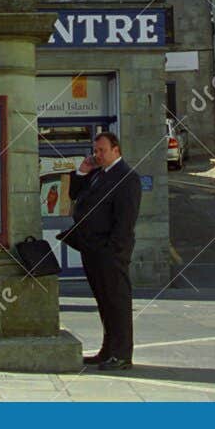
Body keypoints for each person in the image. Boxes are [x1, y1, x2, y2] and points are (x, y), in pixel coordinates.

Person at [58, 131, 141, 370]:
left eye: (102, 150)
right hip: (92, 249)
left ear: (116, 150)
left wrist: (114, 251)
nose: (98, 155)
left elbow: (125, 222)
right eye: (95, 151)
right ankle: (108, 350)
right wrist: (83, 170)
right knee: (104, 302)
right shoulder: (97, 174)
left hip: (109, 252)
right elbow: (74, 195)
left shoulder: (127, 178)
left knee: (117, 302)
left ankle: (122, 355)